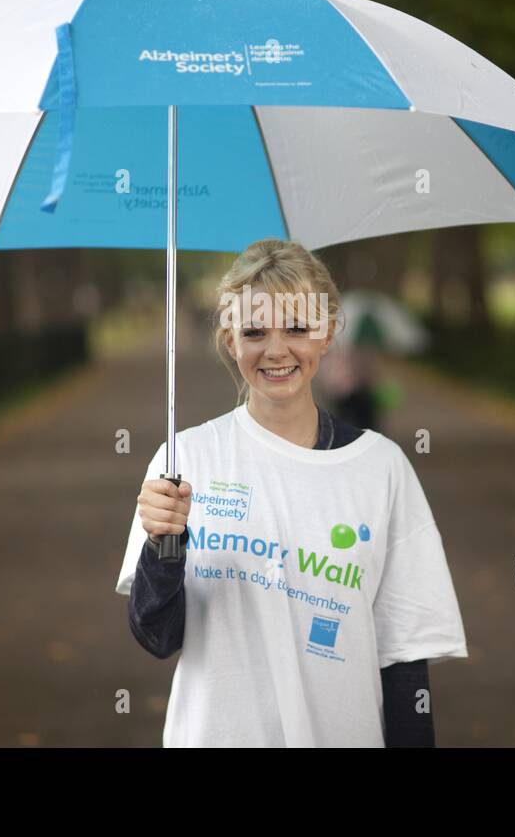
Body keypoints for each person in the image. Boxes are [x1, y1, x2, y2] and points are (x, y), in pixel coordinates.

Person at [114, 239, 467, 747]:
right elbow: (158, 636)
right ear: (231, 339)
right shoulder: (185, 461)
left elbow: (404, 659)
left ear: (327, 333)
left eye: (297, 328)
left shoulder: (381, 469)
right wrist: (162, 546)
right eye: (255, 331)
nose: (276, 350)